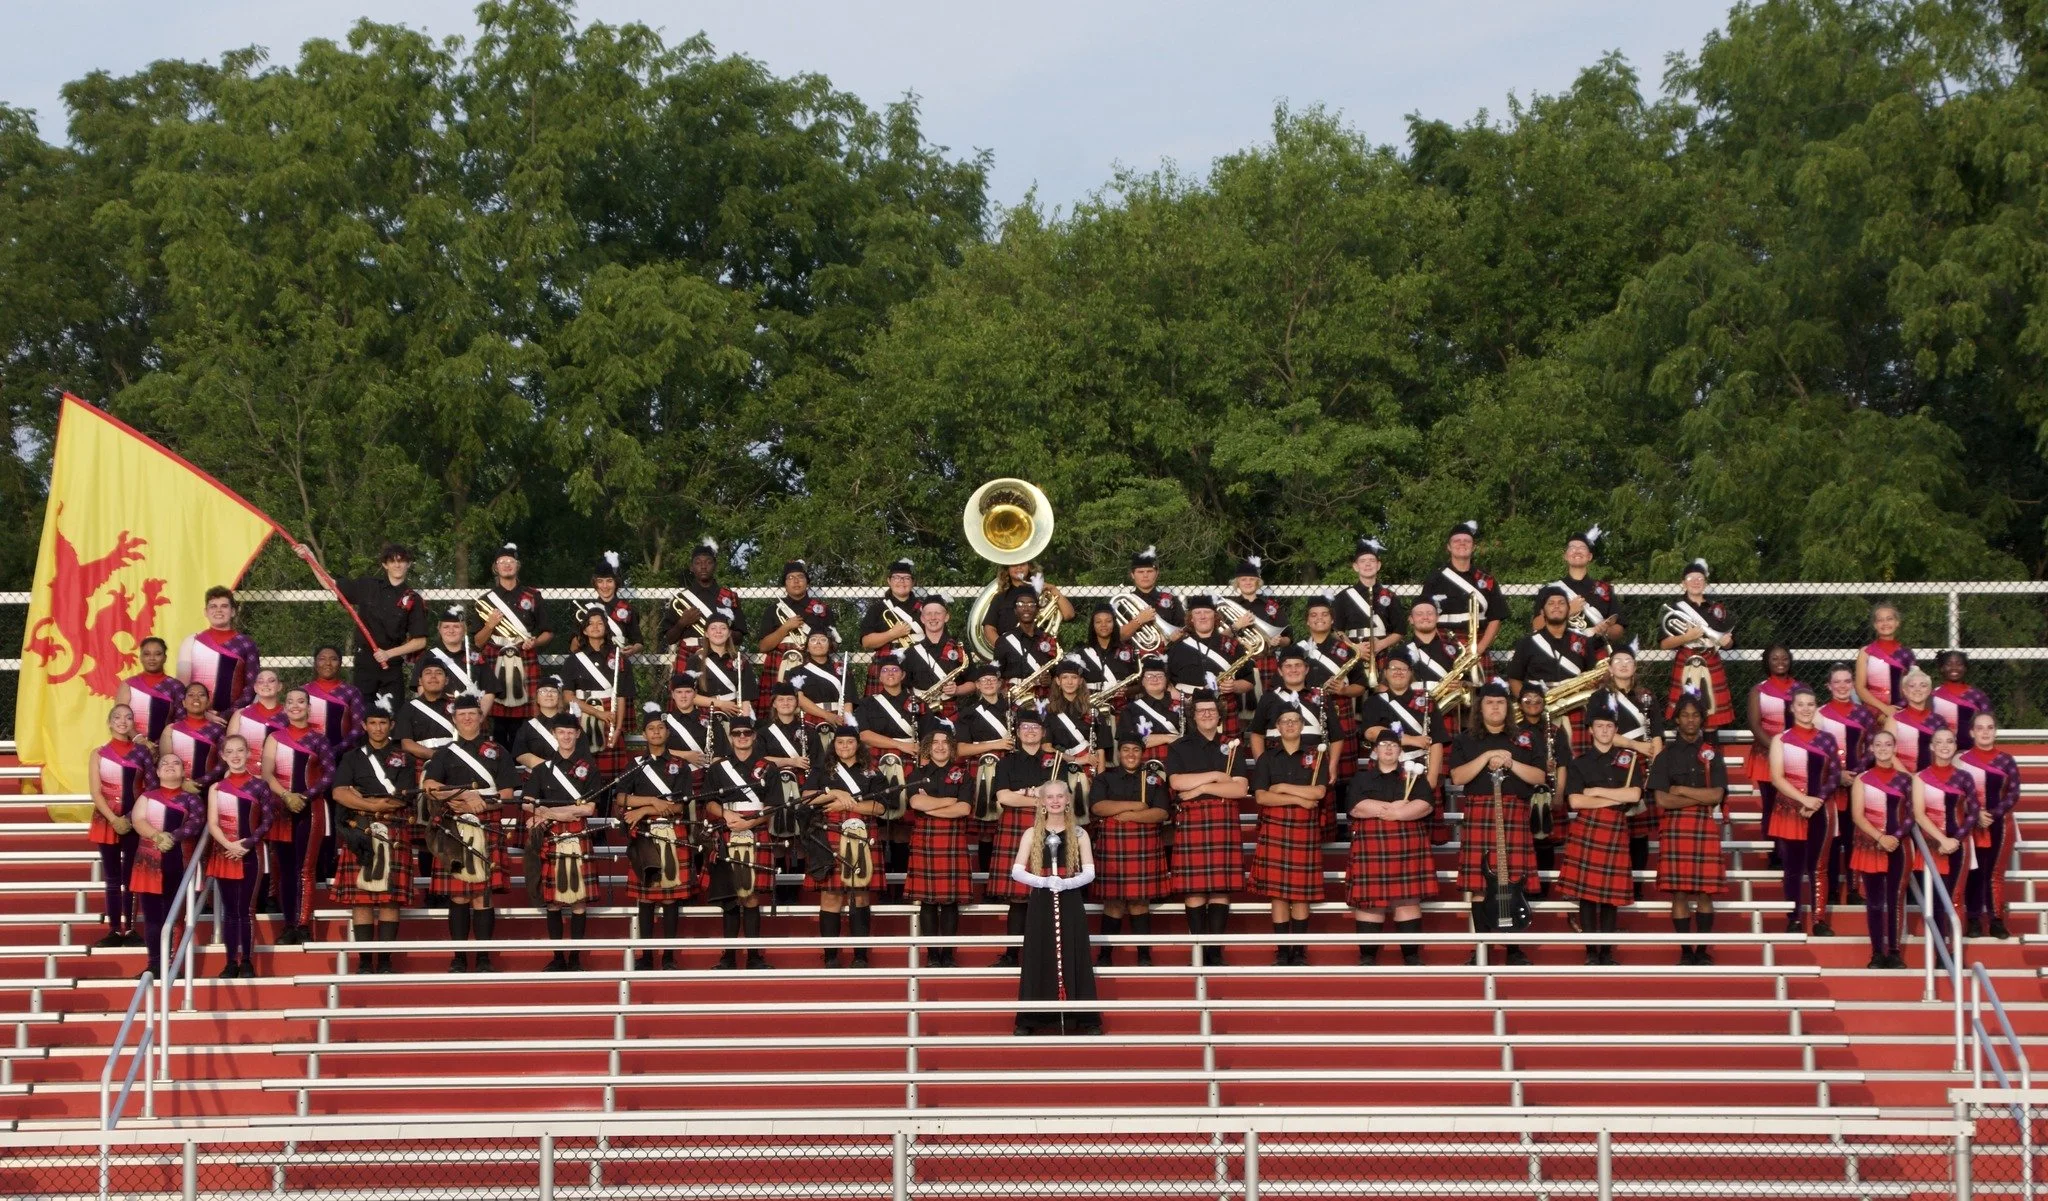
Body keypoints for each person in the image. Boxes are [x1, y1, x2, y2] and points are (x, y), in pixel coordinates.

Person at [1447, 680, 1546, 965]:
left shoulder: (1527, 736)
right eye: (1489, 702)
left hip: (1514, 811)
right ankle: (1482, 951)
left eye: (1500, 702)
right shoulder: (1466, 739)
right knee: (1480, 886)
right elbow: (1458, 777)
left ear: (1509, 707)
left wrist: (1511, 763)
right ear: (1480, 707)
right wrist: (1488, 756)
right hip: (1480, 810)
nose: (1495, 707)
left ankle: (1514, 949)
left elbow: (1539, 777)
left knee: (1514, 880)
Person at [420, 696, 515, 972]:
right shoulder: (444, 754)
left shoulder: (498, 751)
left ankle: (484, 958)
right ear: (454, 719)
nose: (468, 719)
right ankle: (459, 957)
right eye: (462, 715)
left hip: (487, 821)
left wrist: (480, 803)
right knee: (458, 895)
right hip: (454, 826)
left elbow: (507, 793)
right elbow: (430, 786)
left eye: (472, 714)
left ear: (480, 717)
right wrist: (462, 797)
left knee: (483, 894)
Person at [329, 695, 415, 973]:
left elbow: (404, 798)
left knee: (389, 898)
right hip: (359, 830)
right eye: (373, 723)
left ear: (391, 725)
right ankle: (365, 962)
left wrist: (365, 800)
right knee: (361, 898)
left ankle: (386, 961)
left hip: (394, 827)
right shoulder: (352, 757)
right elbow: (340, 792)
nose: (378, 728)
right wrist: (371, 805)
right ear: (364, 726)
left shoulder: (405, 757)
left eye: (383, 723)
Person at [1166, 691, 1251, 965]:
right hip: (1193, 820)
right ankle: (1199, 950)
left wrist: (1201, 787)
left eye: (1211, 711)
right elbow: (1177, 783)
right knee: (1194, 890)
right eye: (1201, 711)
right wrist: (1215, 776)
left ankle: (1214, 951)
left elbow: (1240, 788)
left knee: (1220, 888)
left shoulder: (1232, 746)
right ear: (1193, 715)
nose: (1206, 714)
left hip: (1223, 819)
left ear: (1219, 715)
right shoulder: (1180, 746)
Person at [1009, 781, 1100, 1037]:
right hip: (1041, 897)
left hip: (1070, 898)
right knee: (1039, 952)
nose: (1056, 801)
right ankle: (1029, 1019)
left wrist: (1067, 883)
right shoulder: (1031, 833)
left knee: (1074, 951)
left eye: (1060, 796)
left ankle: (1085, 1019)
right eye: (1050, 797)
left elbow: (1090, 871)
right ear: (1042, 802)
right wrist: (1044, 881)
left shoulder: (1080, 834)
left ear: (1068, 800)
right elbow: (1017, 870)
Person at [1559, 703, 1645, 965]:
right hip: (1588, 827)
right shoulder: (1579, 762)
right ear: (1590, 731)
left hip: (1616, 828)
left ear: (1616, 730)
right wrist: (1612, 797)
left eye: (1609, 726)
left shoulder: (1629, 761)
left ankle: (1606, 952)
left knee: (1611, 897)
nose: (1605, 730)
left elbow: (1634, 795)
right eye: (1599, 726)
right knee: (1586, 896)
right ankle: (1591, 952)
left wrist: (1594, 791)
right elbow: (1575, 802)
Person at [1345, 730, 1436, 966]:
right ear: (1374, 751)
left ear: (1400, 751)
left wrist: (1389, 811)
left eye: (1393, 745)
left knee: (1407, 901)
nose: (1388, 749)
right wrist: (1395, 809)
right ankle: (1367, 957)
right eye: (1383, 745)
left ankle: (1411, 956)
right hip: (1371, 846)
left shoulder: (1414, 777)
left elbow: (1425, 805)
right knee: (1369, 902)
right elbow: (1357, 807)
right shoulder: (1361, 779)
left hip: (1407, 844)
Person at [1651, 693, 1728, 964]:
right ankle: (1685, 951)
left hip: (1703, 825)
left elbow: (1717, 795)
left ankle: (1703, 951)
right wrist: (1699, 795)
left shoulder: (1712, 754)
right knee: (1680, 892)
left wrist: (1681, 789)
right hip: (1675, 828)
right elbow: (1662, 800)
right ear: (1677, 720)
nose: (1691, 719)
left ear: (1702, 719)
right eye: (1685, 715)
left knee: (1706, 891)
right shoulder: (1665, 757)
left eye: (1695, 715)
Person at [617, 708, 696, 971]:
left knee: (671, 896)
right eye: (651, 729)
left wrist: (642, 809)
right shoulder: (634, 764)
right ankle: (646, 956)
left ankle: (669, 957)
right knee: (647, 897)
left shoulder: (681, 766)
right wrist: (651, 801)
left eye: (660, 728)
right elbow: (620, 798)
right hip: (644, 835)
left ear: (667, 732)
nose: (656, 732)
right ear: (644, 734)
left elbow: (679, 806)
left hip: (671, 831)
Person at [1248, 709, 1328, 966]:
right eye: (1285, 721)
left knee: (1301, 894)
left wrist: (1281, 788)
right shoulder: (1267, 758)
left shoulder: (1316, 756)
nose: (1290, 724)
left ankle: (1299, 951)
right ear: (1278, 728)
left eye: (1295, 721)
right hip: (1276, 828)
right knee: (1278, 895)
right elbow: (1261, 797)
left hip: (1304, 828)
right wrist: (1297, 799)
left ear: (1302, 725)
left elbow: (1318, 792)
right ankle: (1283, 951)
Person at [985, 708, 1062, 967]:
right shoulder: (1006, 762)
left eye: (1035, 727)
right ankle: (1012, 954)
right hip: (1015, 829)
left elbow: (1058, 799)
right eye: (1025, 728)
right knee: (1018, 897)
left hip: (1048, 828)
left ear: (1043, 732)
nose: (1030, 731)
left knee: (1044, 895)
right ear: (1018, 734)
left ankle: (1045, 954)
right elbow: (1003, 798)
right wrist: (1036, 793)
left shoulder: (1056, 762)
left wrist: (1024, 794)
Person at [524, 715, 601, 971]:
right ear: (554, 734)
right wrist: (561, 814)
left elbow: (590, 809)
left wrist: (549, 812)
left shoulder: (589, 768)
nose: (566, 736)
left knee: (578, 900)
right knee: (553, 900)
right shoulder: (541, 769)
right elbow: (527, 802)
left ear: (578, 734)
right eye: (561, 732)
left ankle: (576, 958)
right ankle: (557, 957)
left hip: (578, 833)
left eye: (570, 732)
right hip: (552, 835)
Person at [260, 688, 336, 946]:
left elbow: (328, 774)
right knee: (284, 869)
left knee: (304, 869)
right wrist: (285, 796)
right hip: (281, 810)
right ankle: (288, 924)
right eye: (290, 701)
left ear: (308, 706)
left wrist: (303, 796)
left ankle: (302, 925)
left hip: (310, 810)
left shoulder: (319, 739)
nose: (295, 706)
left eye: (300, 701)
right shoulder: (274, 738)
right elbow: (267, 774)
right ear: (285, 707)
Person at [808, 724, 888, 967]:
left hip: (863, 832)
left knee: (861, 895)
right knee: (830, 897)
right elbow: (807, 797)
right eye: (840, 743)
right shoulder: (822, 770)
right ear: (834, 745)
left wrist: (846, 804)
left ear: (858, 745)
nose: (845, 747)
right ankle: (831, 957)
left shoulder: (873, 773)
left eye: (850, 742)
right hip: (829, 833)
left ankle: (860, 956)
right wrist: (835, 792)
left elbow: (880, 807)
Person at [701, 717, 776, 970]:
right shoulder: (718, 768)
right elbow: (708, 802)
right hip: (727, 827)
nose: (742, 737)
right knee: (730, 895)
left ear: (754, 736)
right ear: (731, 737)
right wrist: (725, 814)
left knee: (751, 894)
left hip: (755, 828)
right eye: (737, 733)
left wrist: (750, 823)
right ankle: (729, 956)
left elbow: (773, 806)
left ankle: (755, 956)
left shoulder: (768, 767)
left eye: (747, 733)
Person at [1089, 734, 1169, 966]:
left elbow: (1162, 813)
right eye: (1126, 750)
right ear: (1119, 753)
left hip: (1143, 844)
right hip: (1114, 844)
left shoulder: (1153, 779)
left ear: (1142, 753)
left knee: (1139, 901)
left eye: (1135, 750)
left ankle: (1143, 954)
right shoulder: (1105, 778)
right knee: (1113, 902)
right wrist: (1136, 806)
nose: (1131, 755)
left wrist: (1127, 817)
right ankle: (1105, 955)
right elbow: (1098, 807)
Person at [1767, 686, 1840, 936]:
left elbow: (1835, 774)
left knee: (1819, 866)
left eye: (1811, 704)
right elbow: (1777, 778)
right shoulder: (1781, 739)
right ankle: (1794, 918)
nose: (1806, 709)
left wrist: (1816, 800)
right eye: (1801, 704)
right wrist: (1803, 800)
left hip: (1821, 809)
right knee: (1793, 867)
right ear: (1792, 708)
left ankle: (1819, 920)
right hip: (1790, 810)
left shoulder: (1827, 739)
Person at [129, 752, 205, 979]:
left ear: (183, 772)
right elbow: (138, 820)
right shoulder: (147, 797)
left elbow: (196, 822)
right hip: (149, 863)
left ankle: (173, 963)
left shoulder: (192, 800)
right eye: (165, 763)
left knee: (175, 914)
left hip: (178, 860)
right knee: (152, 917)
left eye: (176, 763)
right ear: (158, 772)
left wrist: (171, 837)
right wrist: (157, 836)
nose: (170, 766)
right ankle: (154, 964)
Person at [205, 736, 276, 977]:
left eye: (240, 750)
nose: (235, 756)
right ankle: (230, 962)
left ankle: (246, 960)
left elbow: (267, 820)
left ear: (248, 753)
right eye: (230, 752)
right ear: (223, 756)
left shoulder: (259, 786)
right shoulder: (215, 788)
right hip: (224, 852)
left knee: (245, 909)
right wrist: (228, 844)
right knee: (230, 910)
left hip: (250, 852)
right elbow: (212, 823)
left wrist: (246, 843)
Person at [905, 725, 975, 967]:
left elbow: (964, 809)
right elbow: (915, 802)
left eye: (945, 742)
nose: (940, 746)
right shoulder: (917, 774)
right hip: (925, 839)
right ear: (927, 747)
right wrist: (948, 801)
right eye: (935, 742)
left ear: (952, 747)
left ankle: (948, 953)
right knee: (927, 900)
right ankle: (932, 954)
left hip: (953, 839)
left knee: (950, 901)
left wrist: (931, 805)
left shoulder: (964, 775)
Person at [88, 705, 157, 948]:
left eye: (128, 717)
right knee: (112, 877)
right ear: (109, 722)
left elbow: (150, 788)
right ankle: (114, 929)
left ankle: (130, 929)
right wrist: (113, 818)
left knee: (131, 876)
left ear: (133, 724)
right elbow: (96, 791)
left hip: (134, 821)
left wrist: (129, 818)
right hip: (106, 821)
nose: (122, 721)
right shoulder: (98, 753)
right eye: (117, 717)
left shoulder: (142, 753)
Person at [1816, 665, 1882, 909]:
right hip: (1830, 786)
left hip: (1858, 784)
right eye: (1837, 682)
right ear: (1828, 686)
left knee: (1855, 838)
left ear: (1853, 684)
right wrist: (1837, 774)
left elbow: (1873, 746)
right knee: (1832, 840)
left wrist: (1856, 771)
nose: (1842, 686)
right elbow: (1816, 752)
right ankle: (1831, 888)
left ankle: (1855, 888)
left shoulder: (1864, 715)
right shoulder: (1819, 715)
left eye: (1847, 681)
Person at [473, 542, 551, 747]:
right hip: (494, 656)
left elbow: (548, 632)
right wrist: (489, 625)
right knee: (496, 721)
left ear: (518, 565)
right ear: (495, 567)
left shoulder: (533, 596)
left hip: (524, 655)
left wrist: (534, 642)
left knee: (524, 721)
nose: (507, 565)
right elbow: (477, 642)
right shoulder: (485, 600)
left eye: (511, 561)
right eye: (502, 562)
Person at [1849, 730, 1914, 969]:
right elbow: (1857, 815)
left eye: (1888, 744)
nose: (1884, 748)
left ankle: (1895, 952)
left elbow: (1911, 814)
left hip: (1899, 845)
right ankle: (1877, 952)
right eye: (1879, 744)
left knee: (1896, 899)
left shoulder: (1906, 780)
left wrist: (1894, 837)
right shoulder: (1862, 779)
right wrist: (1880, 837)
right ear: (1872, 749)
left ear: (1895, 749)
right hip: (1870, 845)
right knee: (1875, 901)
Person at [334, 542, 431, 700]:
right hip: (364, 662)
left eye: (401, 561)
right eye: (392, 561)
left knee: (394, 713)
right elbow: (332, 584)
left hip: (392, 665)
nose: (397, 565)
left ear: (408, 564)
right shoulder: (368, 586)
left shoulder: (414, 599)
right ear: (385, 565)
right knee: (362, 711)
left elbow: (420, 642)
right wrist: (310, 557)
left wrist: (388, 654)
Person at [1911, 726, 1977, 945]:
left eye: (1949, 741)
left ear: (1955, 746)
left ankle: (1954, 949)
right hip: (1932, 845)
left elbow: (1973, 812)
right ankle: (1940, 949)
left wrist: (1955, 840)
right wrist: (1942, 840)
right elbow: (1919, 815)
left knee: (1956, 898)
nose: (1944, 746)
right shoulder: (1920, 778)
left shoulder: (1965, 777)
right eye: (1939, 742)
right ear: (1931, 746)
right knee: (1937, 900)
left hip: (1960, 844)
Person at [1957, 712, 2019, 939]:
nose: (1985, 732)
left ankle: (1996, 920)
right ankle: (1973, 919)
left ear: (1995, 731)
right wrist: (1975, 814)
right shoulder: (1961, 761)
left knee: (1995, 873)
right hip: (1970, 823)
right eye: (1980, 728)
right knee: (1973, 871)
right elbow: (1956, 794)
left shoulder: (2006, 760)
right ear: (1972, 732)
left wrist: (1993, 814)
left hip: (2000, 824)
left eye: (1990, 727)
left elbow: (2013, 793)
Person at [1661, 559, 1735, 728]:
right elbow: (1664, 644)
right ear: (1683, 584)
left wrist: (1727, 642)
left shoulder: (1717, 609)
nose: (1695, 582)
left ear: (1705, 583)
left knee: (1711, 717)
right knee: (1685, 715)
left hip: (1711, 660)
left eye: (1700, 578)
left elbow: (1730, 643)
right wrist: (1687, 637)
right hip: (1686, 659)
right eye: (1691, 578)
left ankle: (1710, 752)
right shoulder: (1676, 608)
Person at [561, 604, 631, 777]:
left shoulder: (618, 657)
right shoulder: (573, 660)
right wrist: (597, 713)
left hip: (611, 714)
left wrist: (618, 729)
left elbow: (622, 696)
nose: (595, 627)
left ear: (606, 627)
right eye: (590, 623)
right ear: (584, 630)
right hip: (582, 713)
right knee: (582, 769)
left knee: (610, 775)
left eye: (600, 623)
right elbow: (567, 696)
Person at [1168, 597, 1252, 736]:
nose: (1202, 616)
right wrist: (1172, 692)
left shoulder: (1233, 645)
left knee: (1226, 754)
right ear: (1191, 618)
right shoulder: (1177, 647)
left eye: (1207, 612)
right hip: (1187, 707)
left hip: (1223, 706)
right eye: (1197, 613)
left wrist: (1234, 686)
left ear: (1215, 616)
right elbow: (1166, 680)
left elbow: (1249, 682)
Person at [1745, 645, 1804, 843]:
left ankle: (1795, 849)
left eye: (1784, 658)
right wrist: (1778, 750)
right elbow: (1754, 724)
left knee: (1795, 803)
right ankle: (1774, 854)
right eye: (1774, 659)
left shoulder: (1801, 689)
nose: (1780, 662)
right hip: (1767, 756)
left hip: (1797, 756)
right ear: (1766, 663)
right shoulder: (1758, 690)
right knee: (1771, 804)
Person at [1421, 521, 1505, 658]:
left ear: (1473, 547)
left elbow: (1495, 618)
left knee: (1479, 681)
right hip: (1441, 645)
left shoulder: (1487, 579)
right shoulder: (1434, 579)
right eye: (1457, 540)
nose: (1462, 543)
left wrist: (1479, 648)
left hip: (1477, 645)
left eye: (1467, 541)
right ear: (1448, 547)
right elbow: (1423, 615)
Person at [661, 537, 744, 673]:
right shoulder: (681, 598)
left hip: (721, 652)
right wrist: (682, 623)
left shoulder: (729, 596)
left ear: (715, 565)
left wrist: (720, 636)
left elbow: (740, 636)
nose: (703, 566)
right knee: (686, 694)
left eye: (708, 562)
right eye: (698, 563)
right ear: (691, 567)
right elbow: (670, 639)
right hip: (688, 654)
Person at [177, 586, 261, 719]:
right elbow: (182, 688)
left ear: (233, 611)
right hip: (196, 717)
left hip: (234, 718)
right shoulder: (191, 642)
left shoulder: (246, 644)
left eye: (224, 606)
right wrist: (203, 713)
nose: (218, 610)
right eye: (213, 606)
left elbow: (252, 686)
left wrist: (227, 715)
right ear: (205, 611)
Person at [757, 560, 834, 705]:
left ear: (807, 582)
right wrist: (785, 628)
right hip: (780, 663)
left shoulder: (822, 609)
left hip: (812, 663)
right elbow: (763, 647)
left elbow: (834, 644)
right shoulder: (773, 610)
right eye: (790, 578)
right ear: (785, 583)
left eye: (800, 577)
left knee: (811, 705)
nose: (796, 581)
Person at [1546, 526, 1623, 652]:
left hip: (1596, 655)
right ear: (1565, 556)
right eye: (1572, 548)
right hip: (1560, 654)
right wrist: (1568, 611)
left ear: (1590, 556)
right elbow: (1537, 625)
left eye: (1582, 548)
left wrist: (1607, 630)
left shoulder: (1605, 589)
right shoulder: (1551, 589)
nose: (1577, 551)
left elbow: (1619, 628)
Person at [690, 609, 756, 754]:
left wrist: (742, 725)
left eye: (723, 628)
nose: (718, 632)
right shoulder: (695, 660)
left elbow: (746, 698)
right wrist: (720, 704)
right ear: (706, 633)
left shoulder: (740, 661)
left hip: (734, 716)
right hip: (704, 716)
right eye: (713, 628)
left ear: (729, 633)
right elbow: (690, 697)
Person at [1249, 645, 1329, 761]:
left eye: (1298, 665)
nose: (1293, 670)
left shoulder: (1321, 696)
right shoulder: (1267, 698)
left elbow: (1336, 737)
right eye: (1288, 666)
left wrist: (1331, 766)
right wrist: (1262, 765)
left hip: (1313, 764)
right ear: (1280, 671)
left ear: (1306, 669)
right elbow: (1257, 734)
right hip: (1275, 764)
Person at [1333, 535, 1403, 664]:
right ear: (1355, 566)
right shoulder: (1343, 597)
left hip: (1383, 652)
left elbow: (1399, 631)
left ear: (1378, 565)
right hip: (1354, 653)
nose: (1367, 564)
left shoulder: (1390, 596)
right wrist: (1354, 648)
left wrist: (1381, 645)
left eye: (1372, 560)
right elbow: (1337, 630)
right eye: (1363, 560)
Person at [902, 596, 971, 717]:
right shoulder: (911, 652)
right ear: (922, 619)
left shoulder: (959, 648)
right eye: (928, 613)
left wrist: (957, 690)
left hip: (952, 711)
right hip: (921, 712)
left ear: (947, 617)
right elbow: (903, 687)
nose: (933, 617)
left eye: (938, 613)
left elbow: (974, 683)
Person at [422, 605, 496, 713]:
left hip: (470, 717)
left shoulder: (477, 657)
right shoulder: (427, 657)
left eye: (456, 627)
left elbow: (489, 691)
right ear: (439, 629)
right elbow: (421, 688)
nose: (451, 631)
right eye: (446, 627)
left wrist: (479, 718)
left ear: (464, 629)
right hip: (438, 716)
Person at [120, 637, 186, 747]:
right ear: (140, 657)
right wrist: (140, 740)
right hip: (131, 748)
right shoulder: (128, 685)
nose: (152, 658)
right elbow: (119, 719)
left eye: (157, 654)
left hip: (164, 750)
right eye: (147, 654)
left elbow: (181, 723)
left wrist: (162, 748)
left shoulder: (175, 686)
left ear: (165, 658)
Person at [1116, 658, 1183, 766]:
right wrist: (1167, 738)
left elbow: (1191, 738)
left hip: (1178, 763)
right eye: (1149, 676)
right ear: (1142, 681)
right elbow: (1127, 744)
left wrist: (1152, 739)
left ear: (1166, 680)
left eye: (1160, 676)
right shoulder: (1129, 709)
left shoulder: (1182, 706)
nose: (1155, 679)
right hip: (1143, 766)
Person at [995, 591, 1062, 699]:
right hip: (1014, 698)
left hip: (1043, 699)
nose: (1026, 608)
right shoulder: (1004, 640)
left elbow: (1060, 675)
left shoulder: (1049, 639)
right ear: (1015, 610)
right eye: (1021, 604)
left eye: (1031, 604)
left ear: (1037, 610)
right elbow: (997, 675)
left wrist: (1051, 680)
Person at [1117, 545, 1186, 649]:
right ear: (1132, 575)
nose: (1145, 575)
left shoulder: (1171, 600)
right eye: (1140, 572)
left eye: (1149, 571)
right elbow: (1117, 637)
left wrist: (1178, 636)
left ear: (1157, 573)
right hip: (1134, 656)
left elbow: (1184, 630)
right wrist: (1138, 621)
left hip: (1168, 654)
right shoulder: (1123, 603)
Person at [164, 682, 229, 791]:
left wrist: (198, 784)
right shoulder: (171, 729)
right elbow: (165, 762)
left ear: (208, 702)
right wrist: (183, 783)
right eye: (191, 695)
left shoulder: (218, 730)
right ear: (184, 703)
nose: (196, 698)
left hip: (206, 789)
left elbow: (222, 763)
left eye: (201, 695)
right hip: (176, 788)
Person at [1855, 603, 1914, 717]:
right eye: (1880, 620)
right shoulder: (1866, 652)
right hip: (1873, 709)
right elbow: (1860, 688)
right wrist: (1884, 709)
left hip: (1900, 708)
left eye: (1889, 619)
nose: (1885, 623)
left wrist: (1899, 708)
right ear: (1875, 625)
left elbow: (1912, 686)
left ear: (1897, 623)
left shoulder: (1906, 653)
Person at [304, 646, 366, 755]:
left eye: (333, 659)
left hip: (344, 756)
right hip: (308, 755)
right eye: (322, 659)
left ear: (340, 663)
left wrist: (336, 750)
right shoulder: (304, 691)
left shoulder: (351, 692)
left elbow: (358, 728)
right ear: (315, 663)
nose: (328, 663)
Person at [1887, 668, 1947, 776]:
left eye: (1923, 685)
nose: (1917, 689)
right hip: (1900, 778)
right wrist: (1909, 777)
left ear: (1929, 691)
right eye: (1912, 686)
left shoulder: (1938, 720)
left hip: (1932, 779)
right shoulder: (1894, 719)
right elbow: (1888, 753)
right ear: (1904, 690)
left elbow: (1944, 752)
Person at [1073, 600, 1138, 697]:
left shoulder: (1129, 651)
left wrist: (1128, 691)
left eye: (1108, 621)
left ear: (1114, 624)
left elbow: (1142, 684)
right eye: (1098, 621)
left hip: (1123, 707)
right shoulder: (1081, 654)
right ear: (1093, 626)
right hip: (1091, 707)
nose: (1103, 625)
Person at [859, 558, 925, 652]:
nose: (901, 581)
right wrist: (892, 634)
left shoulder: (925, 608)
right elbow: (866, 642)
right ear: (889, 581)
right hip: (887, 663)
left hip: (920, 661)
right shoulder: (876, 609)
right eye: (896, 577)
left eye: (907, 578)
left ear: (913, 582)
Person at [396, 664, 459, 760]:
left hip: (455, 760)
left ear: (446, 680)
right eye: (428, 673)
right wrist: (438, 757)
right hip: (422, 762)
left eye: (438, 673)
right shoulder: (408, 707)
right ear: (420, 681)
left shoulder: (459, 704)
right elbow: (407, 744)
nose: (433, 676)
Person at [227, 668, 287, 757]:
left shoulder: (289, 716)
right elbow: (229, 749)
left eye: (271, 681)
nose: (266, 684)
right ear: (255, 688)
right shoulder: (241, 715)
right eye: (261, 681)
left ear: (279, 686)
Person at [1931, 651, 1993, 734]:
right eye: (1949, 664)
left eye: (1959, 664)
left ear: (1965, 668)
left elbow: (1988, 722)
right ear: (1941, 668)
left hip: (1970, 745)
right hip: (1942, 745)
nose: (1954, 668)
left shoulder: (1977, 696)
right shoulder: (1934, 695)